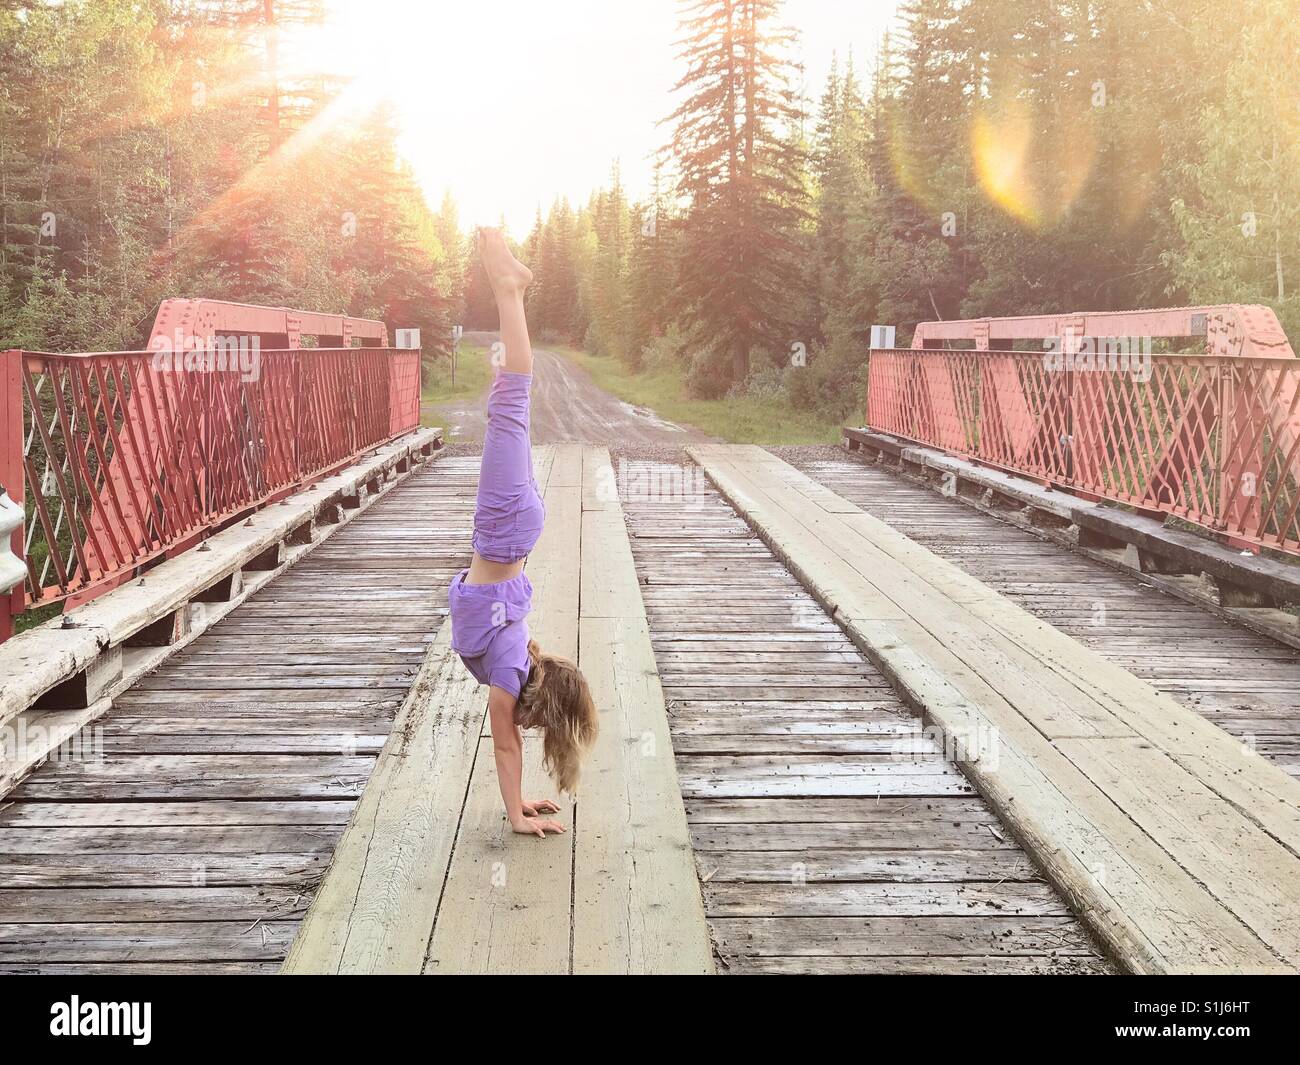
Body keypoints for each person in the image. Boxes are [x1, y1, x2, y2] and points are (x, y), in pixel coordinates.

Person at [447, 227, 599, 839]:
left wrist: (523, 802)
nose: (524, 733)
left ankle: (500, 269)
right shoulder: (509, 675)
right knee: (511, 396)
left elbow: (510, 749)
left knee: (513, 404)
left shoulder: (514, 666)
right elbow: (505, 749)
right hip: (504, 529)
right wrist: (514, 815)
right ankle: (507, 285)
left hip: (512, 532)